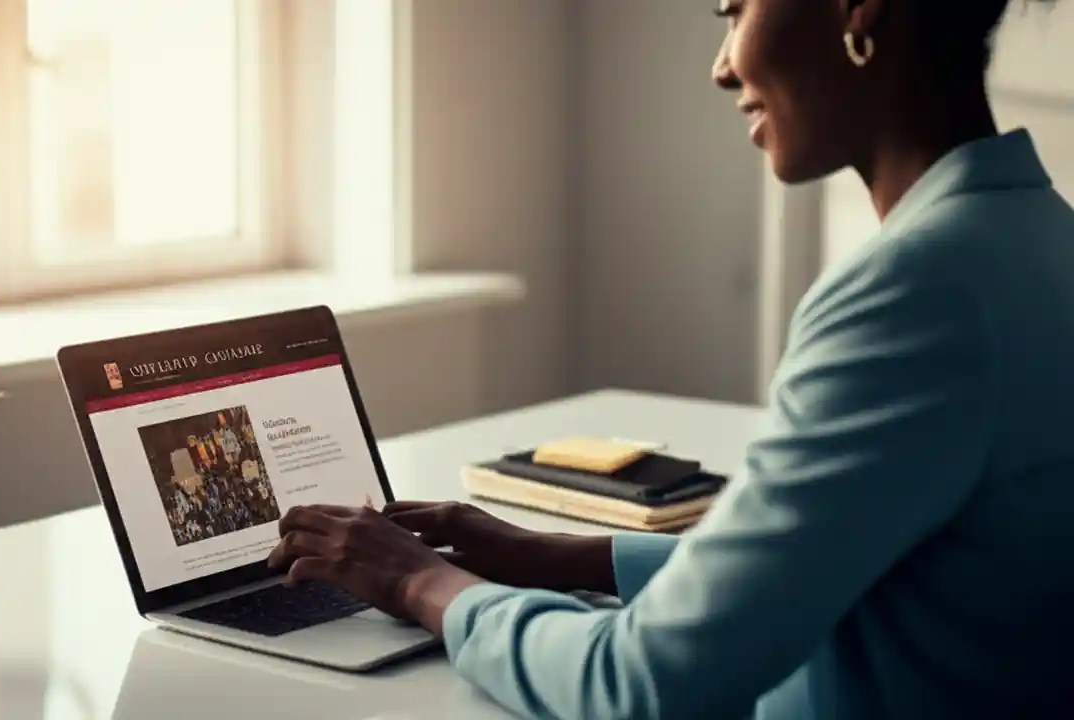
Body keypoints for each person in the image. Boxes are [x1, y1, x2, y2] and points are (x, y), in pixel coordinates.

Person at [271, 0, 1074, 716]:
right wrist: (550, 556)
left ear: (859, 12)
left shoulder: (910, 293)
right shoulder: (1042, 238)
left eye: (734, 9)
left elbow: (640, 682)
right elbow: (853, 559)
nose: (723, 66)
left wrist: (420, 584)